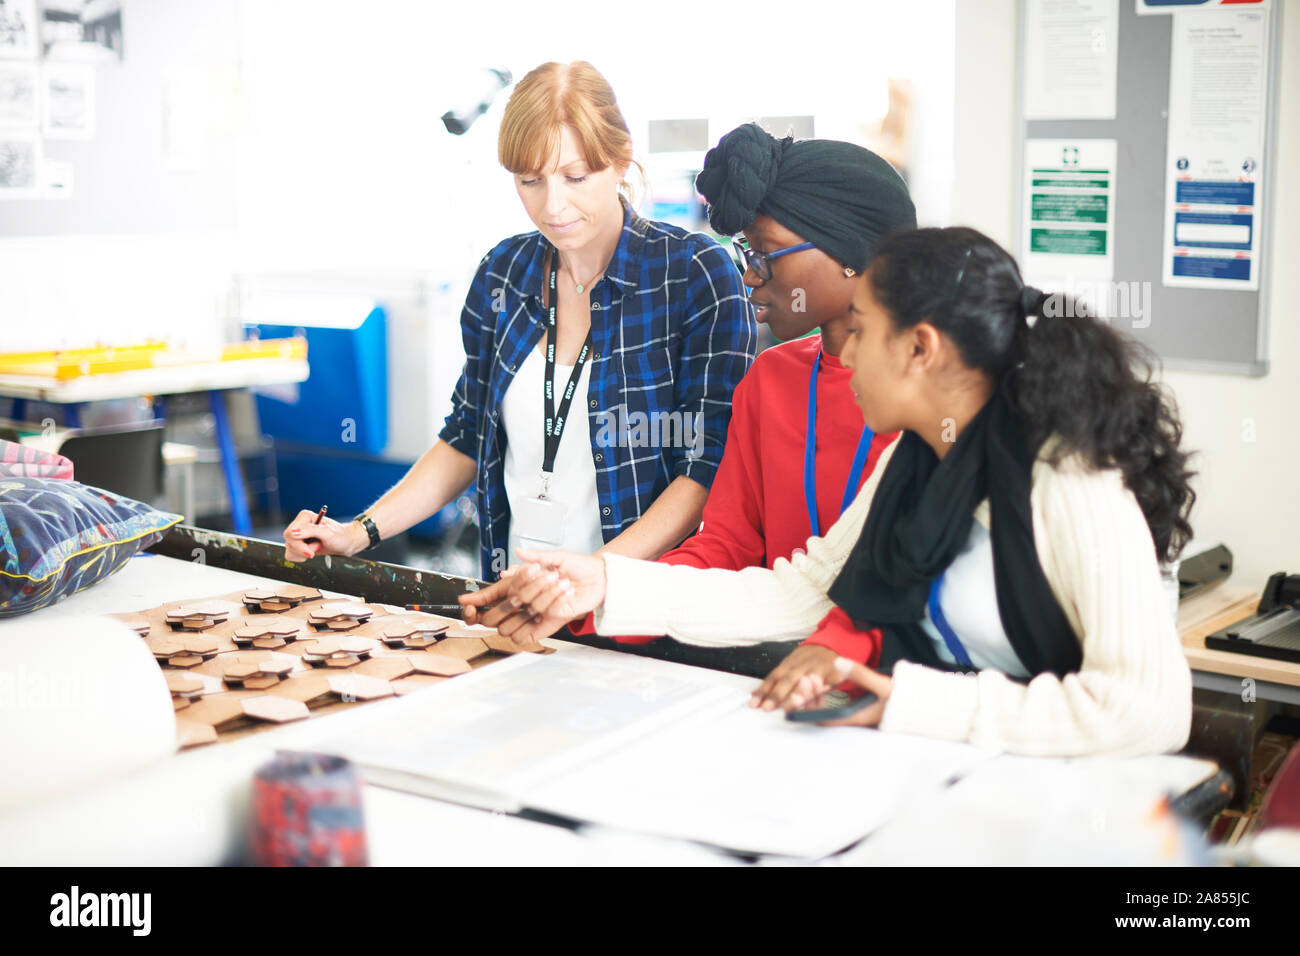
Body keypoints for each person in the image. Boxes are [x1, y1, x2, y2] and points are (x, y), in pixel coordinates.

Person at [464, 226, 1197, 757]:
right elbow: (801, 592)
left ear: (920, 349)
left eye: (863, 330)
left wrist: (913, 702)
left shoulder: (1070, 482)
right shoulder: (916, 461)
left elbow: (1150, 711)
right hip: (958, 774)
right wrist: (601, 582)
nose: (844, 352)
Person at [281, 62, 755, 578]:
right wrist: (357, 532)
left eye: (575, 177)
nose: (553, 205)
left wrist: (594, 578)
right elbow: (466, 436)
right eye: (530, 181)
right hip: (515, 594)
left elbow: (704, 467)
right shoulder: (505, 272)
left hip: (639, 604)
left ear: (620, 162)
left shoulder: (692, 273)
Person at [557, 123, 912, 661]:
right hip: (769, 668)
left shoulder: (936, 400)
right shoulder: (771, 380)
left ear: (853, 253)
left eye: (765, 252)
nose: (749, 276)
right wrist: (593, 594)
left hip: (891, 681)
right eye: (745, 251)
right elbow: (726, 547)